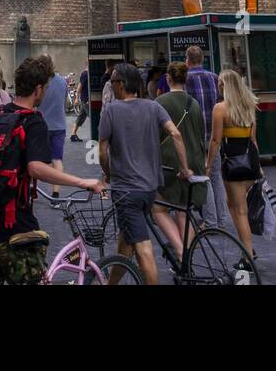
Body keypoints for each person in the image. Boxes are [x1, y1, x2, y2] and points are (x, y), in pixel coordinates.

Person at [0, 56, 103, 284]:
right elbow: (36, 168)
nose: (45, 92)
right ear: (38, 89)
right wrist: (81, 182)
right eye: (45, 88)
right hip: (14, 227)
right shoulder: (33, 122)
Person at [98, 62, 191, 286]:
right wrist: (184, 168)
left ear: (120, 85)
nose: (111, 87)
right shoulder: (153, 106)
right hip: (150, 188)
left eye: (112, 83)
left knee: (143, 249)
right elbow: (175, 134)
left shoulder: (111, 111)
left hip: (126, 190)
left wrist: (108, 174)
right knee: (126, 242)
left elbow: (102, 152)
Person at [206, 68, 261, 263]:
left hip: (233, 162)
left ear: (224, 86)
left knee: (239, 210)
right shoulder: (249, 105)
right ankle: (247, 248)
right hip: (250, 160)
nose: (218, 86)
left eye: (219, 83)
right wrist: (259, 165)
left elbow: (215, 141)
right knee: (236, 206)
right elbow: (253, 140)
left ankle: (247, 257)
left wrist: (207, 165)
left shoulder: (220, 109)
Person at [152, 61, 206, 260]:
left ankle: (181, 251)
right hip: (195, 160)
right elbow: (201, 134)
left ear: (168, 78)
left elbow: (154, 135)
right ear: (186, 79)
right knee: (184, 210)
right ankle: (186, 258)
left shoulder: (159, 102)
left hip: (170, 163)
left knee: (158, 207)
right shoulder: (194, 103)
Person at [184, 45, 231, 228]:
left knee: (203, 177)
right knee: (216, 177)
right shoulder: (214, 78)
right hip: (213, 135)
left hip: (195, 136)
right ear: (202, 59)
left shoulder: (185, 80)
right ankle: (222, 219)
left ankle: (210, 220)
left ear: (188, 59)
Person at [37, 55, 69, 200]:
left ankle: (33, 191)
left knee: (34, 159)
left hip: (40, 125)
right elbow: (64, 102)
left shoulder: (37, 82)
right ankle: (55, 194)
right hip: (59, 125)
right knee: (57, 159)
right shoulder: (62, 81)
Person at [69, 64, 89, 142]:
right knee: (93, 117)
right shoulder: (85, 74)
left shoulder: (87, 74)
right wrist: (76, 98)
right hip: (86, 101)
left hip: (85, 100)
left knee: (80, 117)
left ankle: (73, 134)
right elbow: (79, 87)